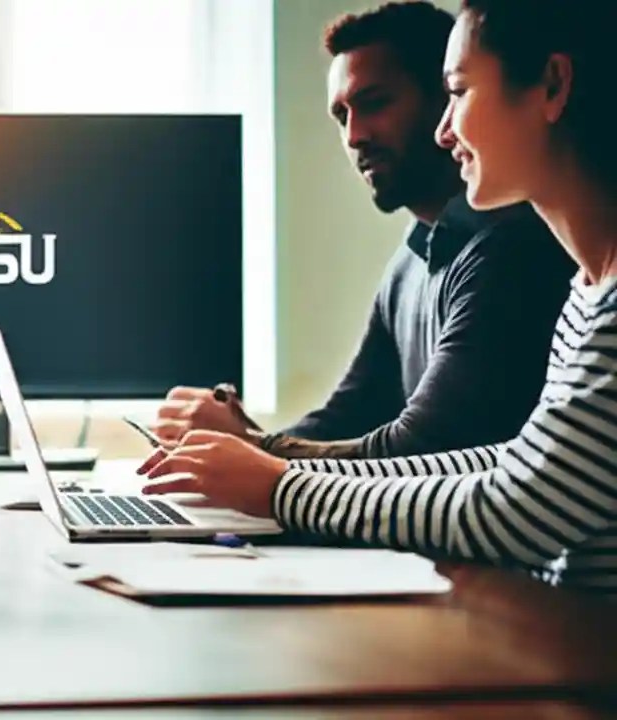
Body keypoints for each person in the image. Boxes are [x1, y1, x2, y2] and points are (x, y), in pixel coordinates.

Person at [141, 0, 617, 596]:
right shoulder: (588, 291)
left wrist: (278, 484)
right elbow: (509, 463)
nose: (447, 130)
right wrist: (259, 464)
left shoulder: (568, 279)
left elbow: (520, 511)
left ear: (551, 86)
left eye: (459, 92)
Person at [153, 1, 573, 461]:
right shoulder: (415, 254)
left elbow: (421, 448)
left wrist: (251, 446)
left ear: (444, 96)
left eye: (374, 104)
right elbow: (348, 416)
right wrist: (225, 453)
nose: (354, 135)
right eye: (341, 116)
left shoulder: (510, 247)